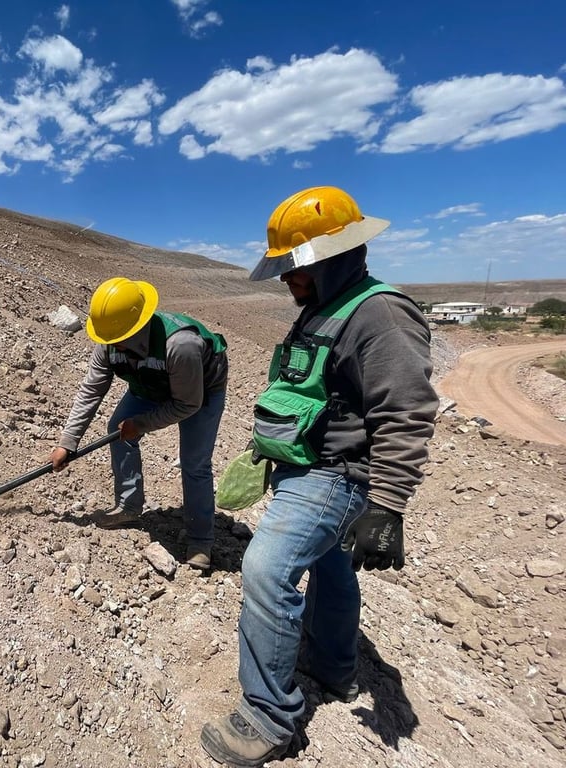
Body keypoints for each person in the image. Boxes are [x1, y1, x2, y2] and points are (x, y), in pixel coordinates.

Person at [200, 186, 439, 766]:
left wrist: (387, 505)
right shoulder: (326, 306)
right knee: (330, 569)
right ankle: (333, 668)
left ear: (334, 257)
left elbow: (406, 413)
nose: (288, 278)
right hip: (308, 467)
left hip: (333, 478)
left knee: (266, 570)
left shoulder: (381, 314)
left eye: (297, 267)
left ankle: (267, 718)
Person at [50, 277, 228, 570]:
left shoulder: (180, 345)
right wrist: (67, 442)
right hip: (150, 382)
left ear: (139, 325)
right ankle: (129, 507)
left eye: (119, 337)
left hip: (200, 390)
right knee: (118, 430)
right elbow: (91, 391)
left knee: (194, 463)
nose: (113, 344)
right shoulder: (110, 342)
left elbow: (187, 404)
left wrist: (142, 423)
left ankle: (200, 540)